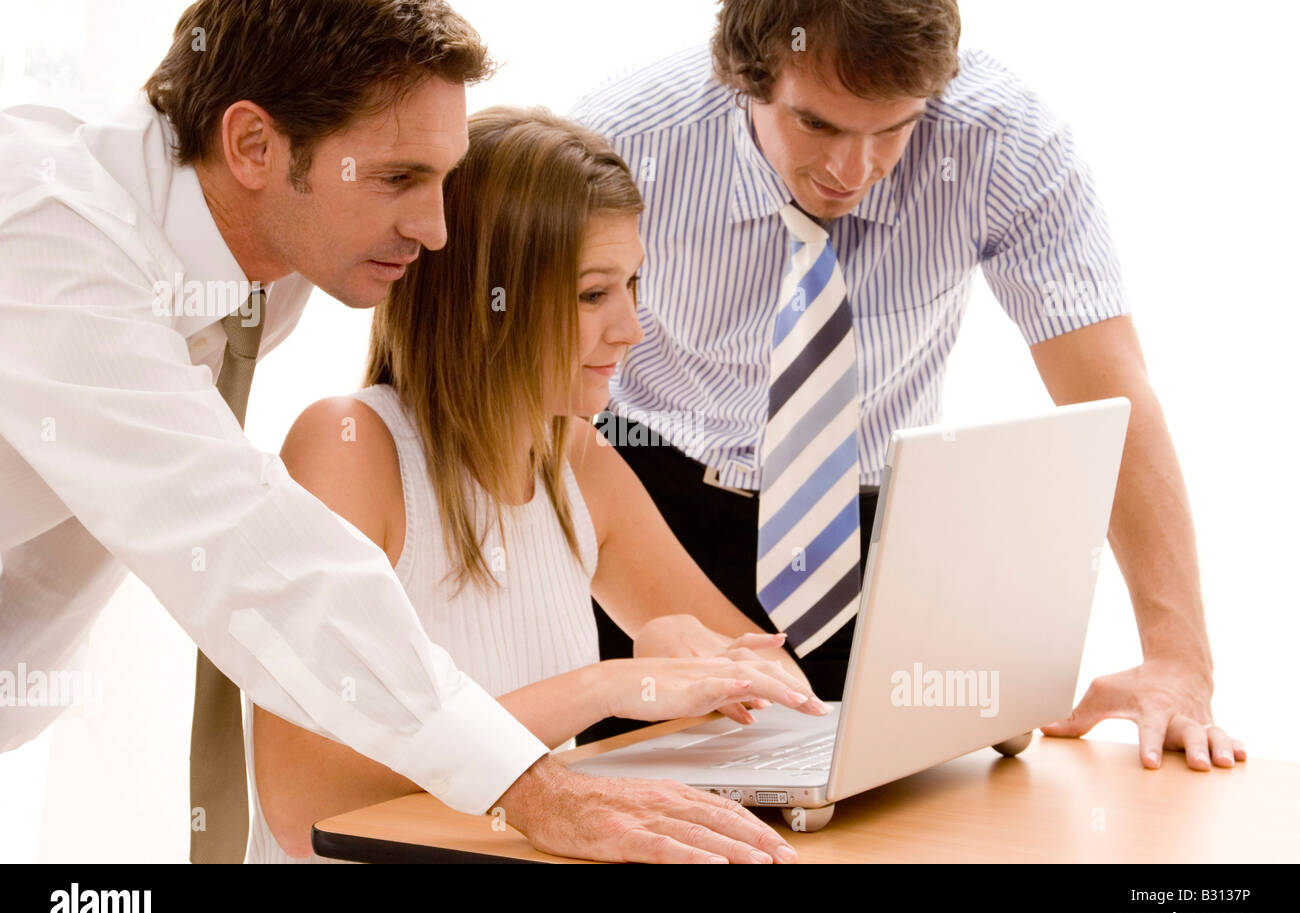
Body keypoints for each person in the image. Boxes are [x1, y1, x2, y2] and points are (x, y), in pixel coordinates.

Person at [0, 0, 798, 864]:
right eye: (396, 179)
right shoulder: (52, 243)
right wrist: (530, 781)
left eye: (443, 180)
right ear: (253, 146)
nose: (436, 231)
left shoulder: (267, 261)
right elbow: (258, 557)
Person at [568, 0, 1246, 771]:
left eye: (891, 128)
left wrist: (1178, 659)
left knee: (916, 805)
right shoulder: (625, 139)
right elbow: (528, 388)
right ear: (746, 77)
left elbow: (1111, 395)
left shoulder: (1002, 142)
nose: (849, 172)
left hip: (872, 530)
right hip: (651, 509)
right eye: (816, 124)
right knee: (662, 808)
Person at [247, 105, 832, 862]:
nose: (630, 329)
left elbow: (792, 691)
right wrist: (607, 686)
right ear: (483, 300)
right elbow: (308, 804)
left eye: (631, 285)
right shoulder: (349, 449)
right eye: (593, 295)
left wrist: (680, 649)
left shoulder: (577, 462)